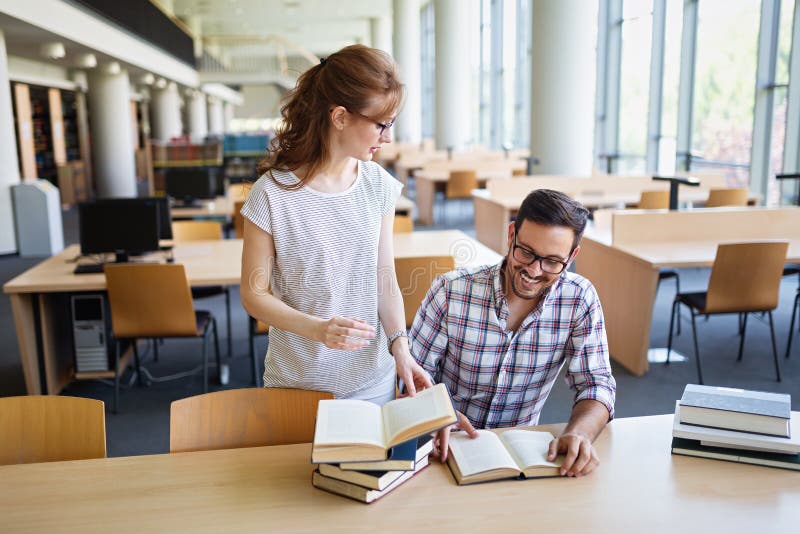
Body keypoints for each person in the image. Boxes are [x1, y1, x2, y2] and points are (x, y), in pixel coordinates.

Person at [240, 45, 431, 404]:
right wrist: (318, 329)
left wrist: (400, 347)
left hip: (372, 381)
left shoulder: (379, 185)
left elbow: (383, 276)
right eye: (381, 124)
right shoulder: (271, 194)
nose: (388, 137)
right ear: (340, 117)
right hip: (297, 385)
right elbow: (254, 294)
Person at [410, 189, 616, 476]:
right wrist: (435, 415)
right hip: (443, 446)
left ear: (572, 256)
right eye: (526, 252)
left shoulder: (579, 299)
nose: (533, 270)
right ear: (511, 235)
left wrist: (580, 433)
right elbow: (409, 375)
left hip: (521, 457)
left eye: (552, 262)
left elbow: (597, 385)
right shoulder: (451, 291)